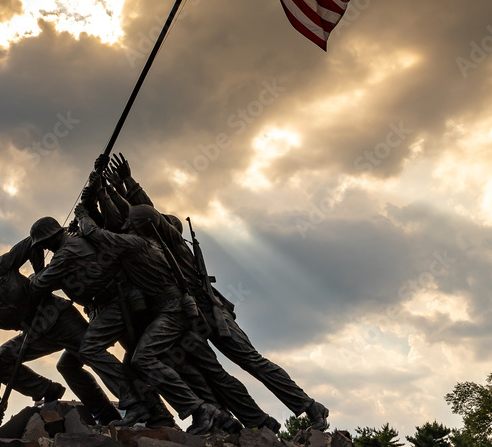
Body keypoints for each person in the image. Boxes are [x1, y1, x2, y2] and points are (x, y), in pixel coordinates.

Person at [102, 153, 331, 431]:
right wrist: (111, 188)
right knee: (216, 375)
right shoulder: (154, 245)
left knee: (252, 362)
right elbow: (136, 217)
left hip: (211, 312)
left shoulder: (171, 242)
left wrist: (128, 183)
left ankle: (310, 407)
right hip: (190, 318)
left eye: (135, 227)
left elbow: (146, 212)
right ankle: (257, 423)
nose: (129, 229)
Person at [74, 203, 238, 435]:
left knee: (143, 359)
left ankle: (201, 410)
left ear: (136, 225)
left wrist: (83, 215)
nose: (125, 222)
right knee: (146, 365)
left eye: (129, 220)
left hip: (172, 312)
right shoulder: (151, 243)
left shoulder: (137, 244)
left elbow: (97, 234)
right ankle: (182, 415)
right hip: (170, 311)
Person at [0, 235, 119, 426]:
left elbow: (33, 243)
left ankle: (135, 403)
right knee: (4, 358)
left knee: (91, 354)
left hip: (60, 318)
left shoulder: (2, 269)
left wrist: (40, 278)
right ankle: (48, 390)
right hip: (36, 334)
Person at [27, 215, 175, 428]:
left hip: (116, 304)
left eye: (42, 245)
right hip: (102, 308)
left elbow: (38, 285)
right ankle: (110, 415)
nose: (43, 248)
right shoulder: (69, 247)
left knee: (90, 349)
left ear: (49, 239)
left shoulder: (67, 252)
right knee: (68, 364)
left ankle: (135, 405)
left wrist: (36, 269)